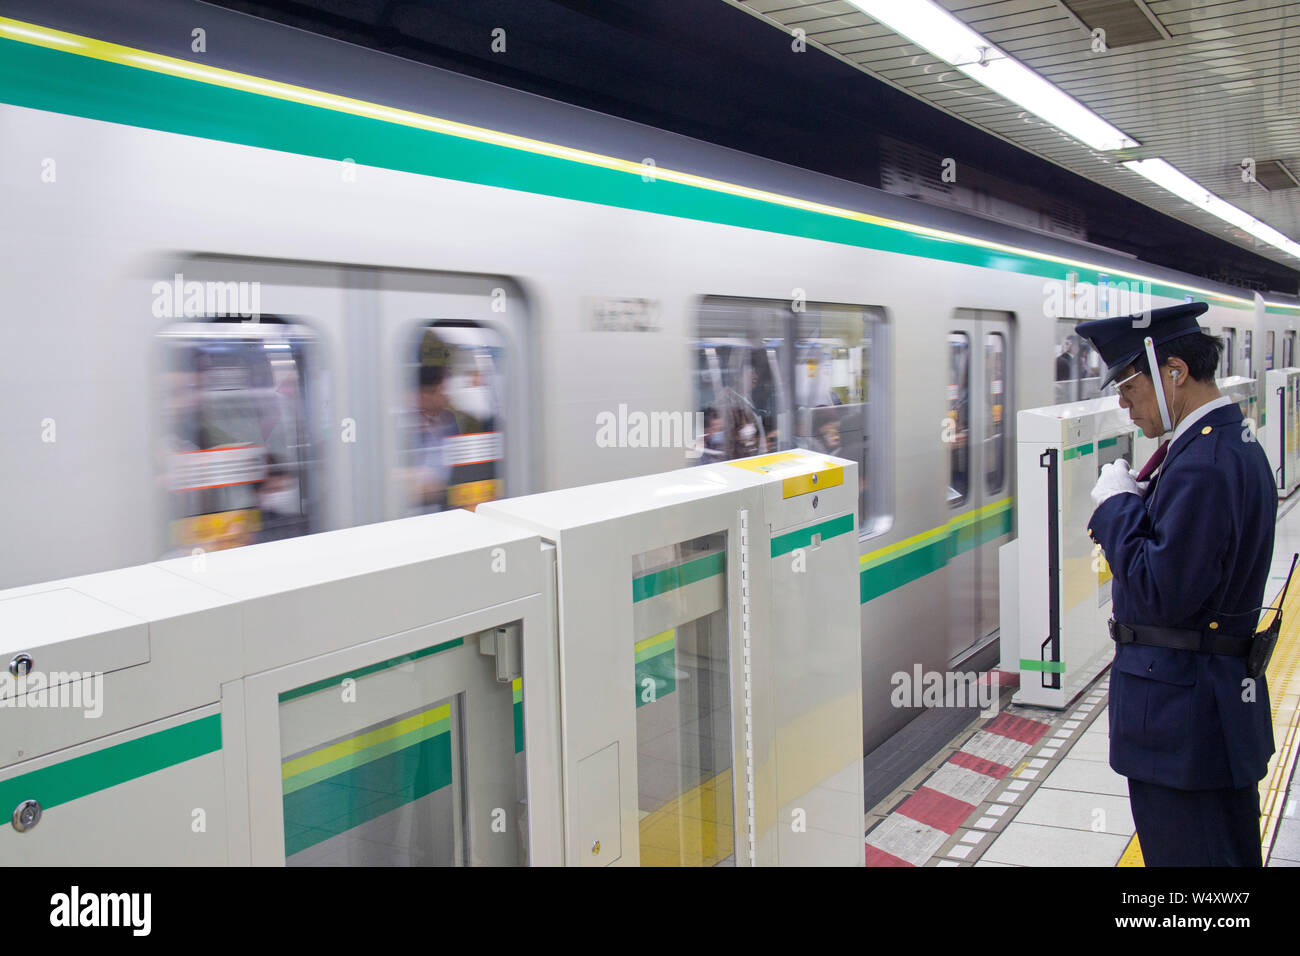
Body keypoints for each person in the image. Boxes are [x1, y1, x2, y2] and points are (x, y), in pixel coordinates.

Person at [1076, 301, 1275, 866]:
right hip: (1207, 709)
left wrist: (1116, 508)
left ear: (1174, 373)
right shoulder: (1222, 442)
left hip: (1185, 719)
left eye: (1129, 385)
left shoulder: (1203, 463)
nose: (1123, 402)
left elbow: (1159, 594)